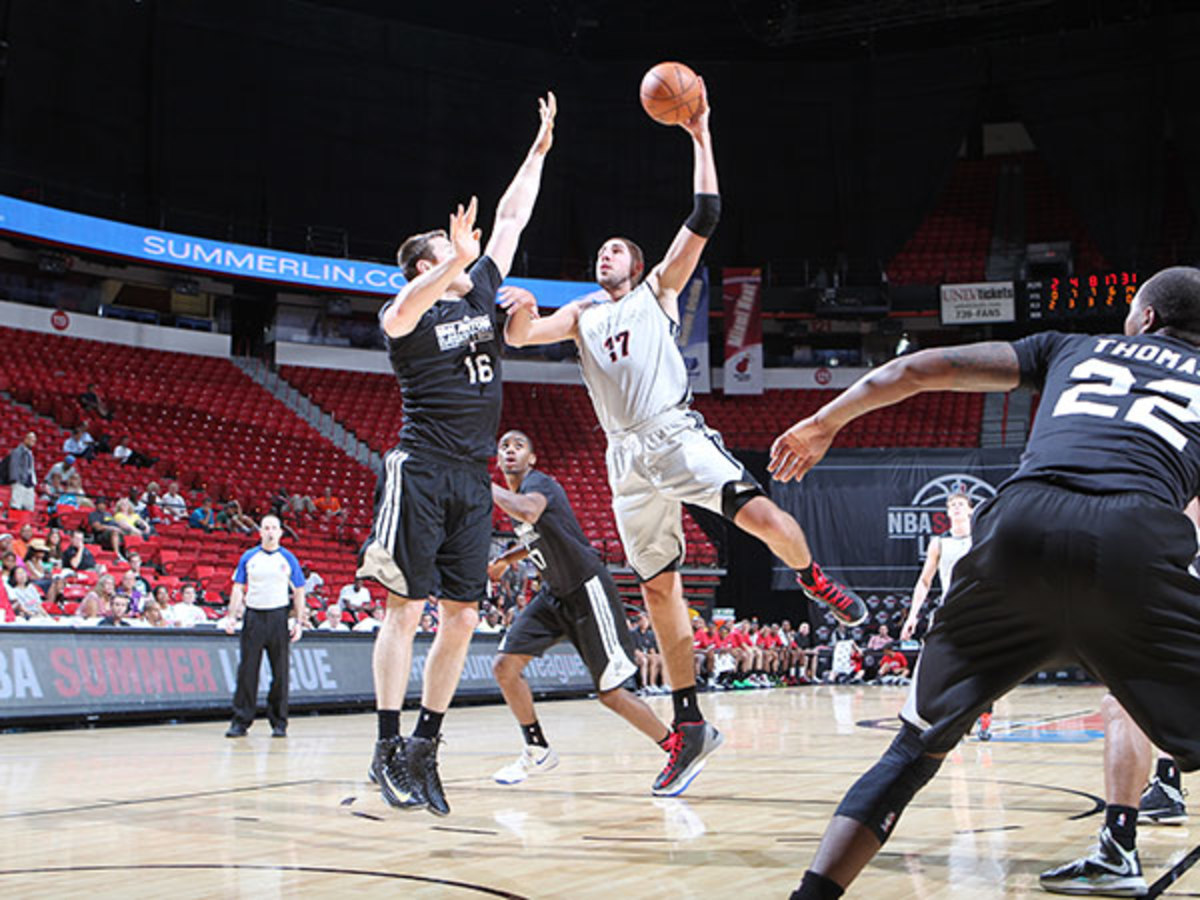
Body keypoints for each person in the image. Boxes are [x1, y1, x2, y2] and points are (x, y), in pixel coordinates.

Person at [770, 266, 1200, 899]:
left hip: (1020, 526)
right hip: (1134, 539)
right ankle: (1121, 838)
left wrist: (824, 423)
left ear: (1147, 318)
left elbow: (918, 370)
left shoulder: (1071, 346)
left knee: (912, 751)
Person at [499, 81, 866, 794]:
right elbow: (521, 336)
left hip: (674, 433)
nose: (605, 255)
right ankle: (690, 725)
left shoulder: (659, 290)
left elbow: (706, 212)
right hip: (625, 458)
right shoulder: (577, 314)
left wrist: (700, 136)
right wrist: (515, 310)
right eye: (600, 251)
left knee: (763, 519)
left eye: (615, 250)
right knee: (660, 592)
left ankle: (814, 577)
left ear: (635, 265)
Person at [355, 91, 555, 817]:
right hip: (421, 469)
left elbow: (510, 218)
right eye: (445, 254)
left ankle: (424, 747)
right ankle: (384, 746)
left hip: (472, 479)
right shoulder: (407, 314)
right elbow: (403, 307)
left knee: (464, 619)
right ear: (423, 264)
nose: (465, 259)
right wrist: (449, 266)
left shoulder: (479, 297)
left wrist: (537, 150)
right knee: (404, 611)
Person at [488, 429, 686, 790]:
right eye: (504, 447)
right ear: (498, 459)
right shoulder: (517, 496)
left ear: (531, 458)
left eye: (519, 446)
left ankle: (676, 748)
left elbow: (530, 513)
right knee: (504, 667)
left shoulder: (538, 484)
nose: (511, 451)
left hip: (586, 589)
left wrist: (483, 486)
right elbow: (536, 534)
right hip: (553, 595)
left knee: (612, 694)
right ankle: (537, 749)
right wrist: (507, 558)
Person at [902, 491, 991, 740]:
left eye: (961, 504)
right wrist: (913, 616)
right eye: (952, 505)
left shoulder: (981, 539)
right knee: (944, 669)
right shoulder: (939, 543)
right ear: (947, 512)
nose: (956, 508)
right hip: (949, 612)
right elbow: (924, 581)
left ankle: (984, 721)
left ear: (971, 510)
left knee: (983, 669)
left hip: (978, 611)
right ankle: (949, 721)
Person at [223, 515, 308, 739]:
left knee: (280, 672)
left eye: (274, 528)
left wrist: (298, 622)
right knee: (247, 670)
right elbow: (238, 587)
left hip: (278, 617)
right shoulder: (249, 557)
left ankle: (279, 722)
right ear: (260, 532)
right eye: (266, 528)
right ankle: (241, 721)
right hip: (253, 617)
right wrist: (232, 616)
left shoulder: (288, 558)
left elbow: (299, 591)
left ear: (280, 532)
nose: (270, 532)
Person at [7, 432, 37, 513]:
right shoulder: (17, 451)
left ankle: (25, 523)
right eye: (31, 440)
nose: (33, 443)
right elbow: (14, 466)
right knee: (16, 505)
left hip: (29, 482)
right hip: (19, 481)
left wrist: (34, 481)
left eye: (34, 441)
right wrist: (15, 480)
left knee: (29, 507)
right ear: (26, 439)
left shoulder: (30, 453)